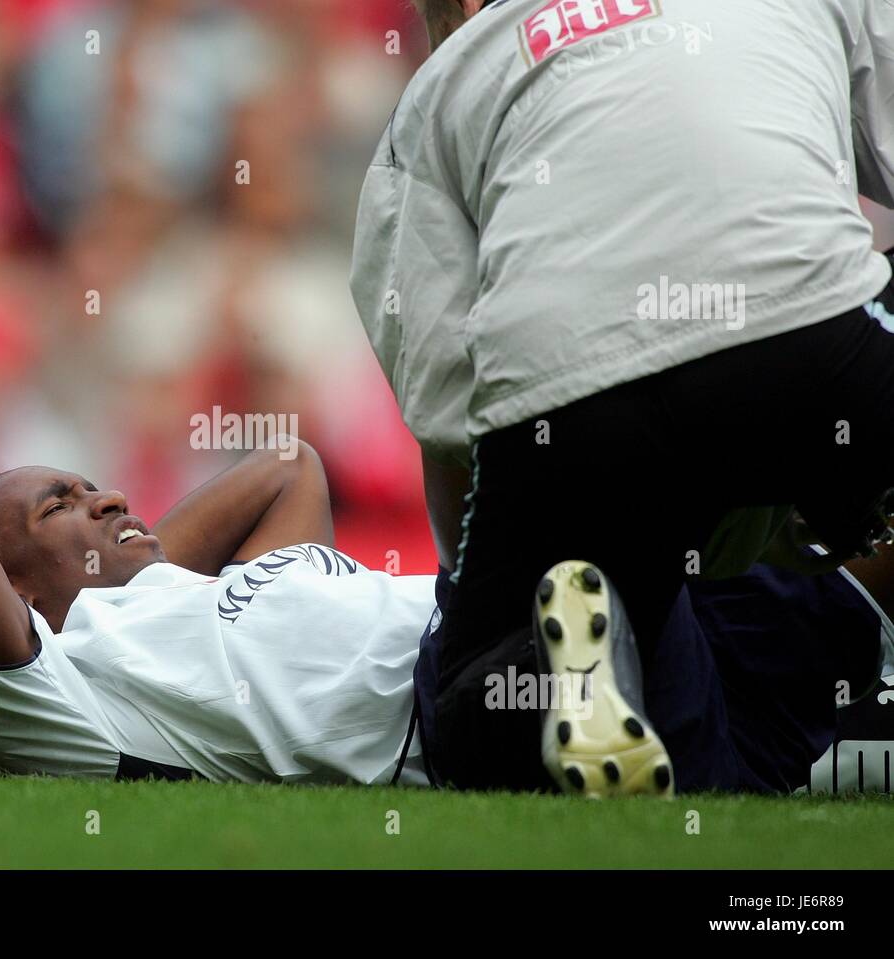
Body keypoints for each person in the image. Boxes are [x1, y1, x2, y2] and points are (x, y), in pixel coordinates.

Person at [350, 0, 894, 794]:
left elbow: (446, 408)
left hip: (577, 409)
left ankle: (554, 664)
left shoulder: (441, 88)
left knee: (469, 706)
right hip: (812, 340)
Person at [0, 441, 893, 793]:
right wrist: (12, 614)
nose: (107, 498)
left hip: (627, 671)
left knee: (853, 596)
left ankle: (607, 679)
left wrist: (134, 554)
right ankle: (586, 666)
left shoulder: (197, 594)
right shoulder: (58, 692)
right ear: (10, 587)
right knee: (588, 545)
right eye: (62, 504)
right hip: (465, 699)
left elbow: (286, 465)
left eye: (93, 482)